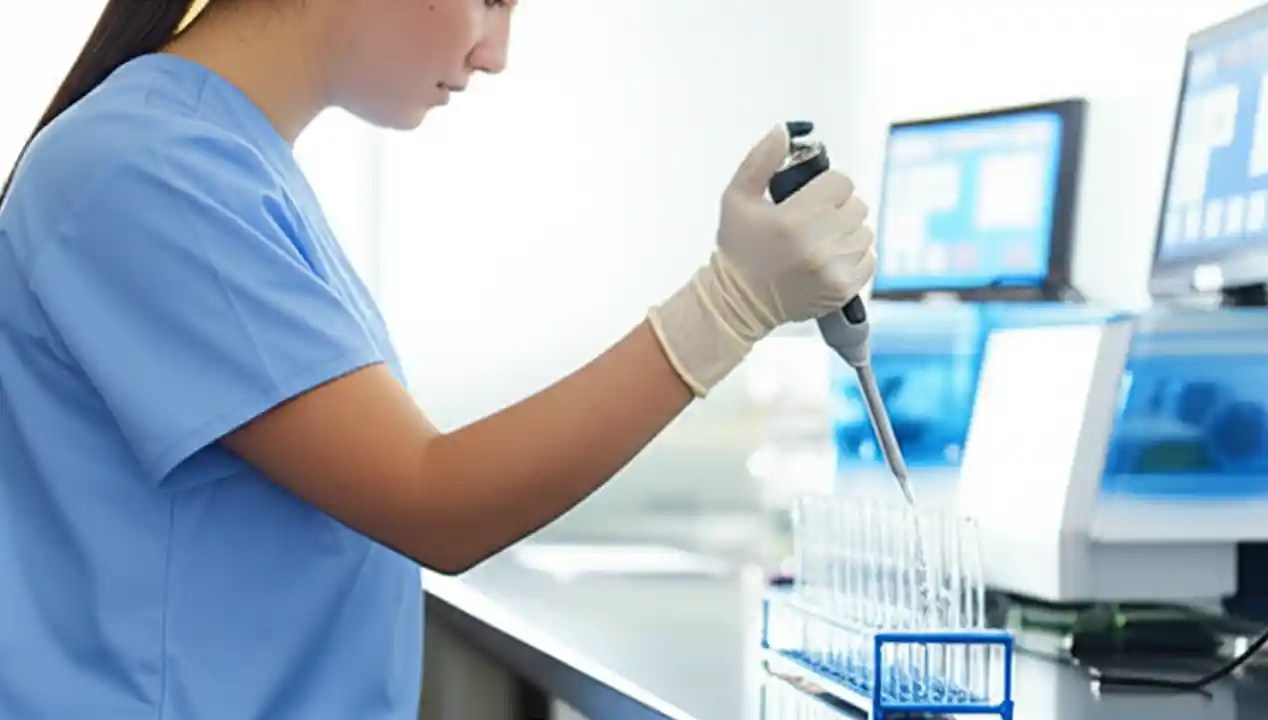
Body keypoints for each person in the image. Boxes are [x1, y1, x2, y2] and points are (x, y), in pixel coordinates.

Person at [0, 0, 876, 717]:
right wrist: (727, 307)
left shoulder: (218, 160)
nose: (495, 52)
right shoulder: (146, 168)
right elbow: (432, 501)